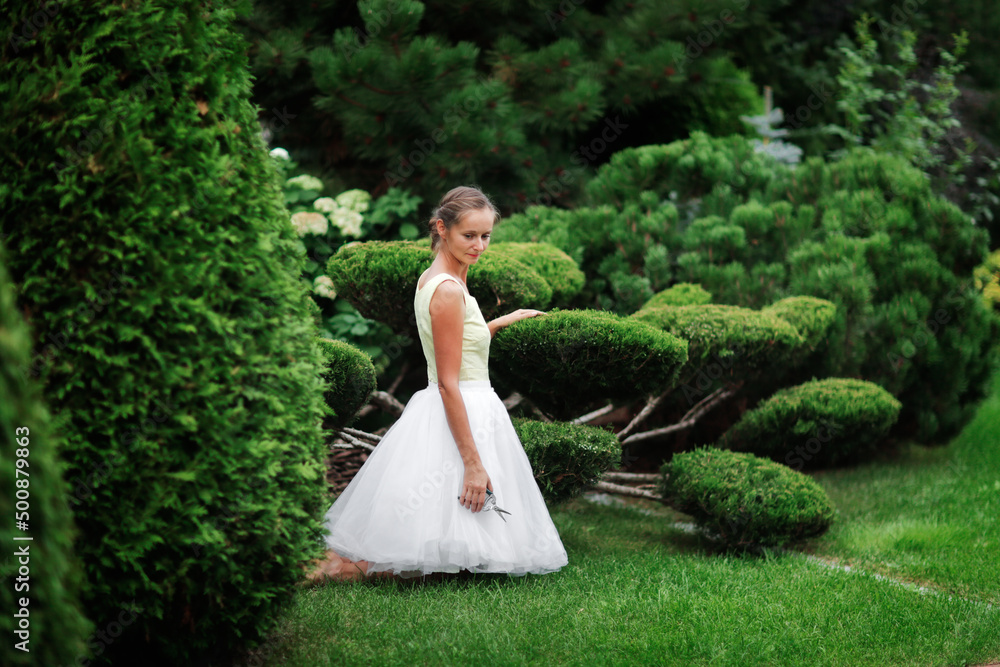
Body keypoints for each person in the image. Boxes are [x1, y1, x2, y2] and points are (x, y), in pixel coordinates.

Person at [307, 185, 569, 583]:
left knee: (435, 541)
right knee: (407, 556)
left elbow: (457, 345)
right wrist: (473, 465)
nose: (479, 245)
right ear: (441, 228)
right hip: (460, 405)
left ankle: (365, 566)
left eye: (486, 236)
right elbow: (449, 382)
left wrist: (498, 322)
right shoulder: (447, 290)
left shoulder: (442, 278)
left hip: (464, 399)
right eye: (469, 236)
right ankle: (338, 571)